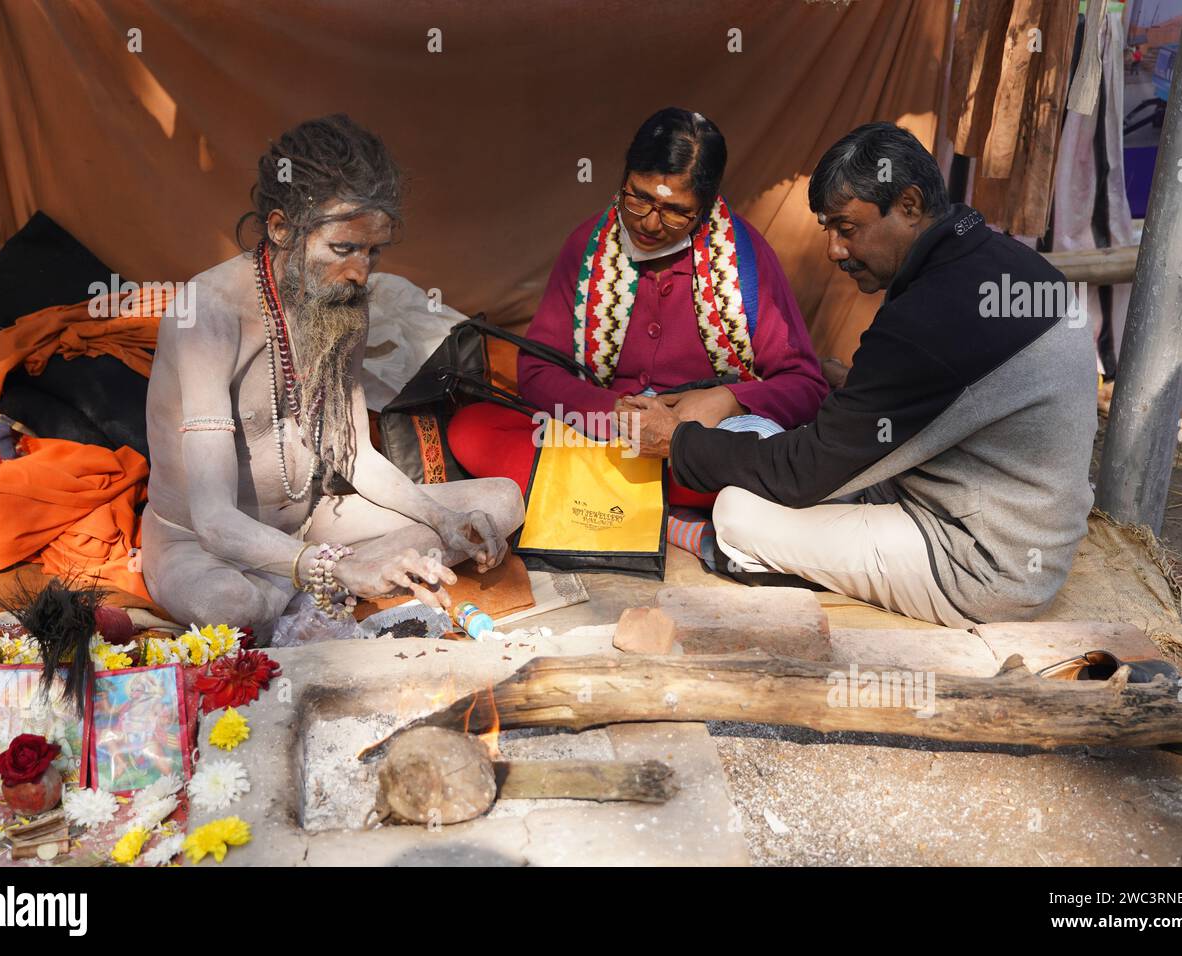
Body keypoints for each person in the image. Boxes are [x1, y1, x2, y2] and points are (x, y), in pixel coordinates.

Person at [621, 122, 1097, 626]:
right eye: (828, 230)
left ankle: (721, 548)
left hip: (985, 566)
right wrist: (856, 389)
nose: (834, 251)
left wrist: (677, 442)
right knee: (779, 445)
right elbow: (970, 397)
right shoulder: (1002, 262)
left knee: (740, 512)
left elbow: (804, 474)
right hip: (1016, 523)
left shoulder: (930, 316)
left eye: (847, 229)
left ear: (909, 205)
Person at [141, 115, 524, 639]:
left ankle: (315, 587)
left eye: (373, 251)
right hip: (204, 545)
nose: (361, 272)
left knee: (500, 502)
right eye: (343, 249)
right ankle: (332, 582)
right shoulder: (207, 314)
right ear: (281, 229)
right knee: (229, 605)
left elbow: (352, 455)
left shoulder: (343, 300)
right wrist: (341, 568)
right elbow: (212, 519)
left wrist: (439, 516)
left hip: (313, 519)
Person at [447, 108, 827, 555]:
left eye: (675, 213)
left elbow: (806, 384)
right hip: (597, 434)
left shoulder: (744, 259)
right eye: (639, 199)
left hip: (691, 449)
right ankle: (665, 519)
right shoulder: (587, 247)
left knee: (771, 455)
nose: (648, 223)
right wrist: (615, 415)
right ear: (623, 178)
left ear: (705, 207)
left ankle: (589, 500)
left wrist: (726, 400)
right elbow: (536, 370)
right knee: (471, 429)